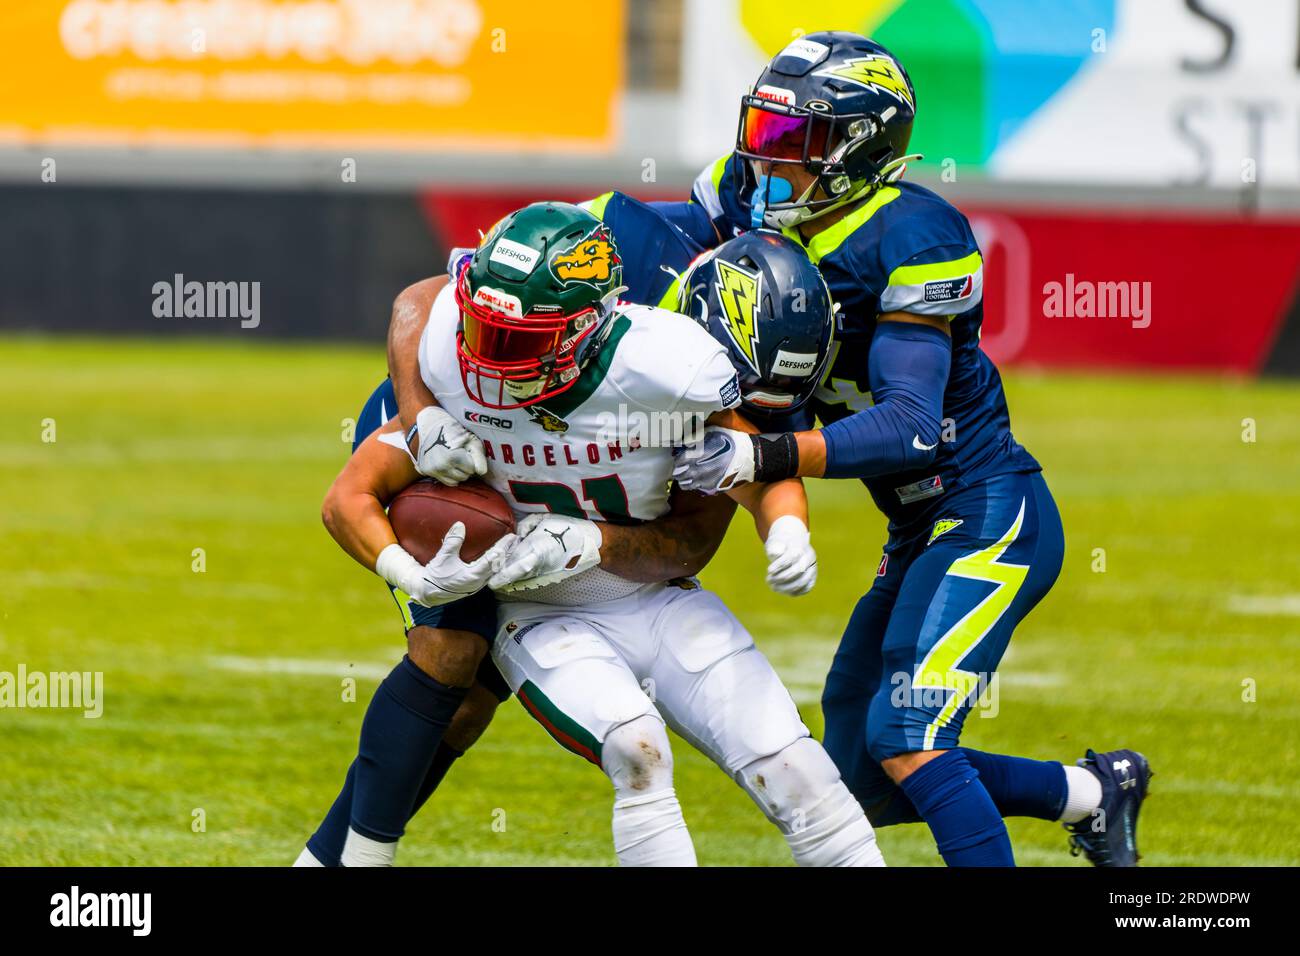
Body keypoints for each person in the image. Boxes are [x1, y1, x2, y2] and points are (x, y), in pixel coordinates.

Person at [668, 31, 1151, 867]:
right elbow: (652, 248)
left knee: (908, 733)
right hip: (916, 528)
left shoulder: (913, 232)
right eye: (764, 129)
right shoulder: (739, 194)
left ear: (860, 148)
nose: (765, 158)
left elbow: (910, 426)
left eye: (795, 141)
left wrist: (765, 462)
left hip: (986, 513)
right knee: (859, 770)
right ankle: (1092, 794)